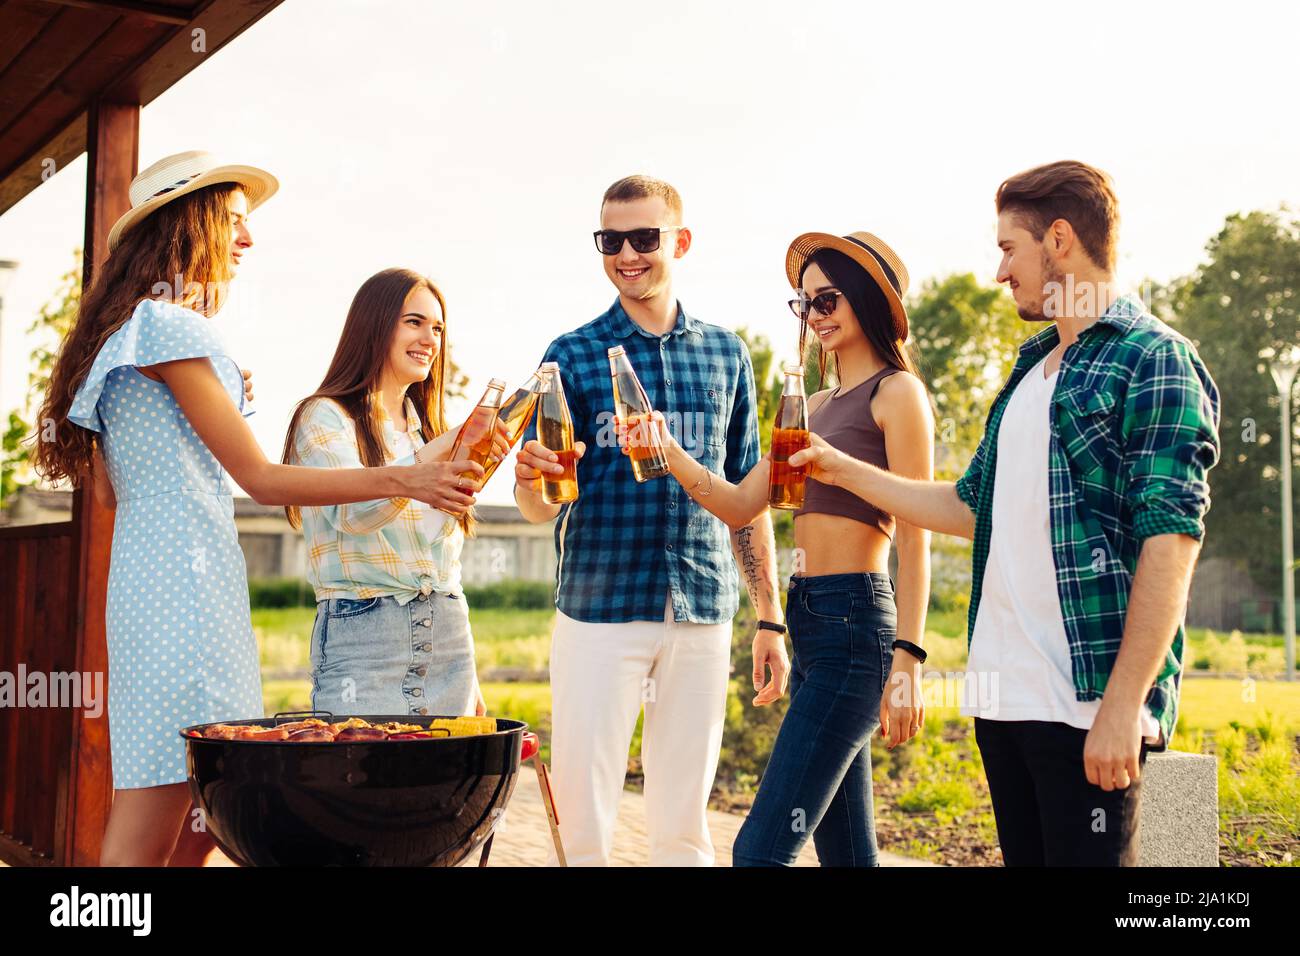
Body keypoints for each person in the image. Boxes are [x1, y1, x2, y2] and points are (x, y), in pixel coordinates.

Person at [33, 151, 482, 866]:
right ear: (193, 222)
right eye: (236, 222)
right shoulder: (169, 326)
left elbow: (116, 489)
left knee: (201, 792)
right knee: (167, 795)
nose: (247, 240)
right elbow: (262, 479)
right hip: (186, 580)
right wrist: (406, 480)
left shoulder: (134, 332)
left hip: (162, 575)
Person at [789, 161, 1222, 866]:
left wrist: (1123, 707)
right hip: (1009, 708)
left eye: (1007, 249)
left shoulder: (1155, 359)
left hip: (1088, 711)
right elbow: (965, 506)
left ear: (1058, 239)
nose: (998, 271)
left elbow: (1170, 544)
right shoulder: (1029, 371)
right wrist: (842, 470)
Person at [632, 231, 933, 866]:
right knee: (848, 854)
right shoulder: (811, 405)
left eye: (828, 300)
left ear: (869, 301)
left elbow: (916, 531)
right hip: (813, 622)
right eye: (804, 304)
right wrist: (667, 451)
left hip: (858, 625)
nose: (815, 316)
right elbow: (741, 504)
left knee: (761, 851)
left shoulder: (896, 394)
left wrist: (909, 657)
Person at [512, 175, 786, 866]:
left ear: (680, 242)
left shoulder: (726, 354)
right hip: (598, 613)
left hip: (700, 611)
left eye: (644, 238)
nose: (626, 254)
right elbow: (545, 501)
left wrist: (769, 617)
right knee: (585, 818)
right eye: (611, 240)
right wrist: (530, 481)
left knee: (684, 824)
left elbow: (748, 500)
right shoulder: (569, 354)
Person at [282, 268, 507, 718]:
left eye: (438, 327)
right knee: (360, 783)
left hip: (448, 641)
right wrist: (443, 449)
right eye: (414, 322)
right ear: (375, 324)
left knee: (447, 787)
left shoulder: (429, 433)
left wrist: (471, 678)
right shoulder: (324, 417)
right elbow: (354, 513)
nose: (430, 338)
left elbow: (445, 567)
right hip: (365, 642)